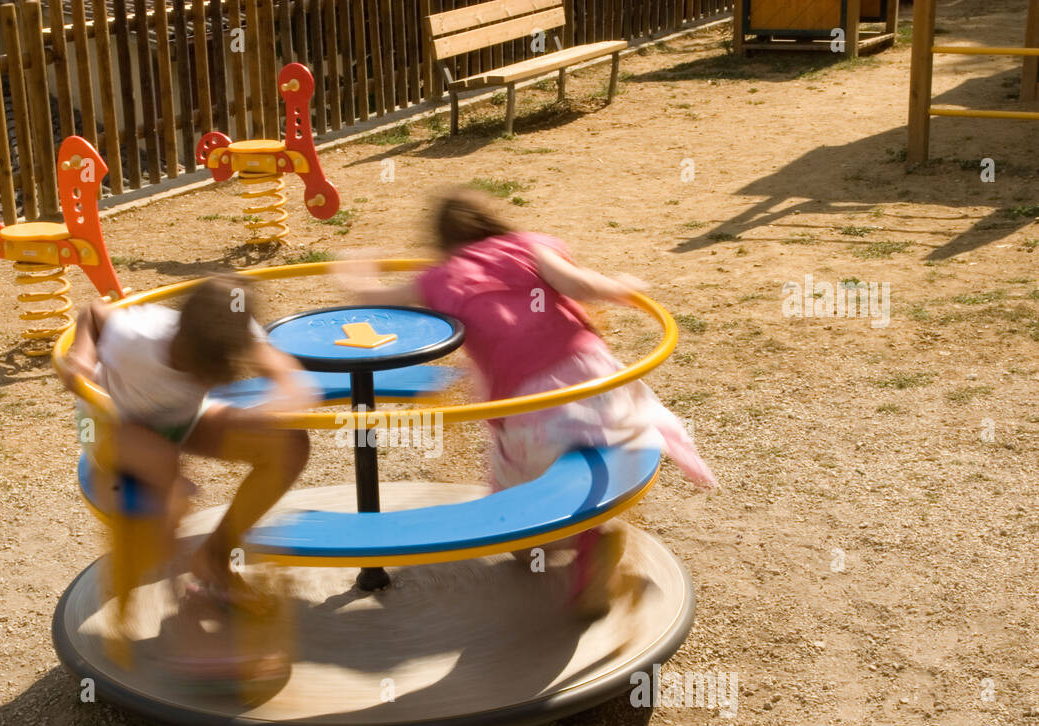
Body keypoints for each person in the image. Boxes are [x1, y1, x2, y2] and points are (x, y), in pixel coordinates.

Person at [336, 189, 716, 613]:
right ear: (492, 224)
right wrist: (620, 288)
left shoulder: (439, 277)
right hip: (590, 380)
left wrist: (356, 276)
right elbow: (578, 284)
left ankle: (589, 542)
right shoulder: (527, 246)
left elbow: (381, 300)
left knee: (525, 500)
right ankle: (586, 545)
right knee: (568, 479)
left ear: (443, 244)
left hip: (528, 405)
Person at [63, 276, 316, 672]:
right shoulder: (137, 336)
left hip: (179, 421)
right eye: (204, 374)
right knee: (167, 472)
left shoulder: (231, 319)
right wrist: (81, 355)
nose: (210, 382)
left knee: (289, 445)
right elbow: (93, 312)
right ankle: (182, 605)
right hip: (112, 426)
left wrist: (278, 401)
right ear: (183, 344)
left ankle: (213, 562)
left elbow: (285, 372)